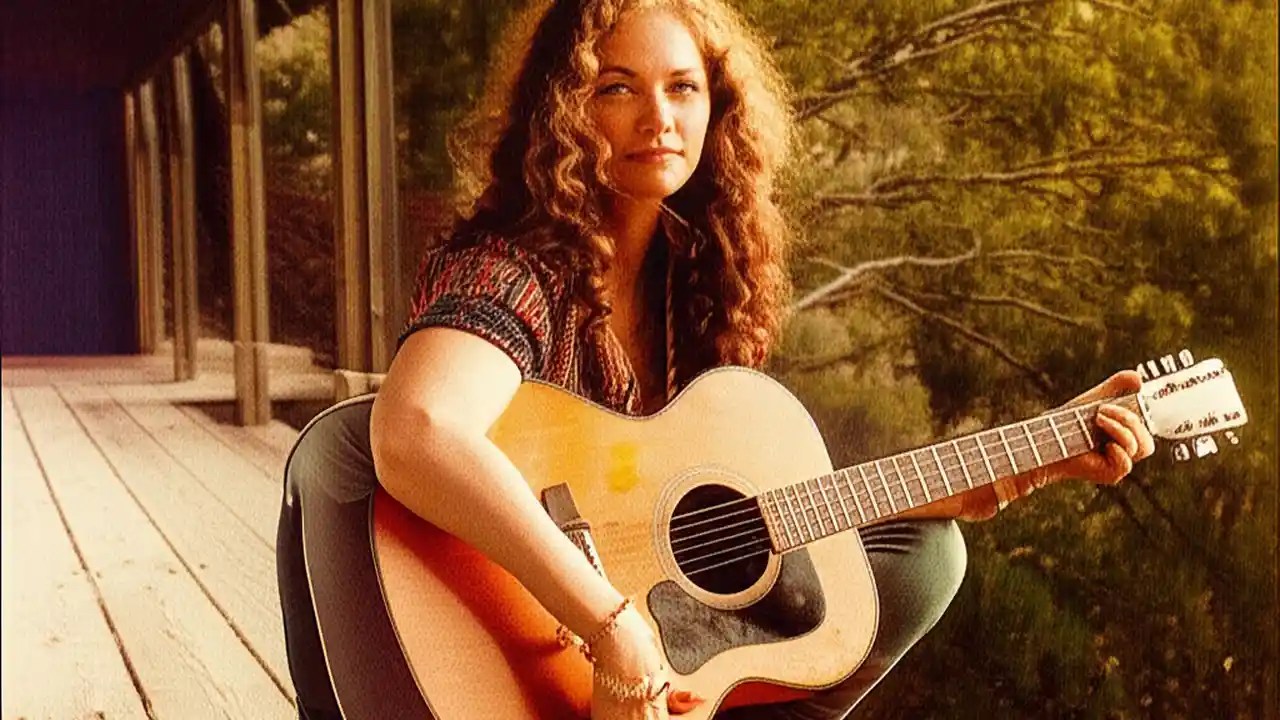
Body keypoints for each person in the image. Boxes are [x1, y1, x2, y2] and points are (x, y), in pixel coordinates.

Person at [279, 1, 1155, 718]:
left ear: (716, 109)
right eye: (617, 87)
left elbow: (730, 522)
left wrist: (1028, 459)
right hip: (500, 632)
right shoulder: (516, 268)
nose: (658, 118)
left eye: (683, 88)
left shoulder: (700, 287)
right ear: (565, 110)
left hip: (639, 637)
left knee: (928, 555)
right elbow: (416, 429)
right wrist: (613, 629)